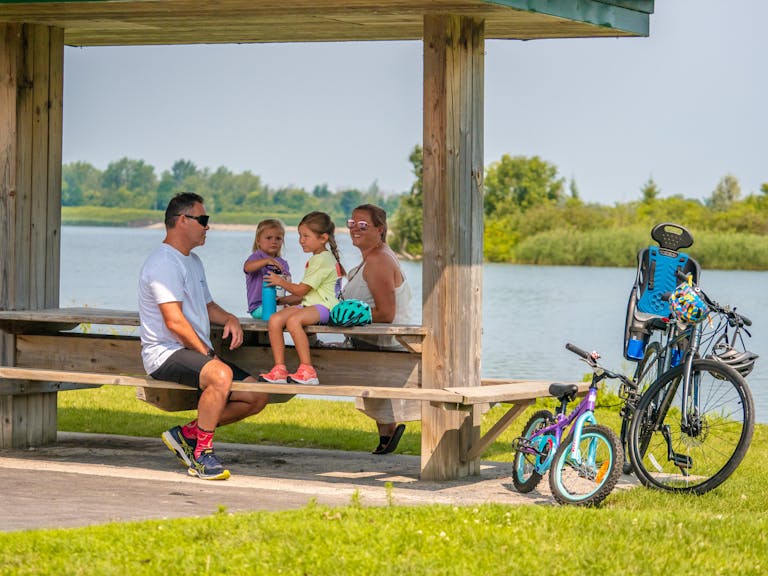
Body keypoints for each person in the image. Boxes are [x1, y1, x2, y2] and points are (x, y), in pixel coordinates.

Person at [139, 192, 269, 481]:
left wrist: (231, 318)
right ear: (183, 221)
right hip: (165, 353)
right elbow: (174, 322)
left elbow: (207, 305)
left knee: (257, 394)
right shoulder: (163, 263)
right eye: (203, 220)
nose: (207, 227)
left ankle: (186, 434)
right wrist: (207, 355)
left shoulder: (192, 261)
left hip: (192, 352)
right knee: (220, 374)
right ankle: (202, 455)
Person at [342, 204, 418, 454]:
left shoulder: (378, 260)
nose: (355, 229)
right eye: (351, 223)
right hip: (370, 344)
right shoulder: (375, 256)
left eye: (363, 225)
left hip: (385, 346)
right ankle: (387, 433)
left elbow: (386, 314)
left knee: (307, 360)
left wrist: (346, 317)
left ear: (380, 229)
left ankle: (389, 430)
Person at [259, 211, 344, 386]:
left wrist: (279, 282)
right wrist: (282, 301)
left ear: (323, 238)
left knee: (293, 321)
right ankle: (279, 369)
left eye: (306, 236)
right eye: (300, 235)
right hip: (310, 305)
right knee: (275, 319)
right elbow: (304, 295)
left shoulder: (322, 260)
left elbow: (301, 289)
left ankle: (308, 370)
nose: (301, 240)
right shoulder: (316, 259)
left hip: (325, 308)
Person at [244, 218, 291, 318]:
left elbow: (288, 284)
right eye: (269, 238)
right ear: (258, 240)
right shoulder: (256, 257)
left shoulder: (283, 263)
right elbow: (247, 268)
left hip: (278, 305)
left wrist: (286, 279)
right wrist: (266, 261)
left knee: (298, 311)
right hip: (259, 307)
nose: (273, 241)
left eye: (278, 238)